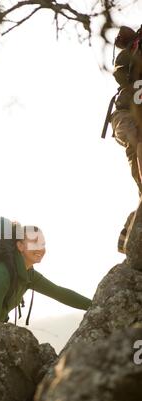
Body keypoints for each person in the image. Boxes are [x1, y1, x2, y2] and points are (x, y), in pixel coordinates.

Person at [0, 224, 92, 347]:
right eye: (34, 242)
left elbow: (60, 293)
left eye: (43, 244)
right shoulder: (1, 274)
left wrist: (95, 305)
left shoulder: (28, 274)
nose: (41, 248)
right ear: (20, 246)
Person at [108, 25, 142, 253]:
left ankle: (128, 235)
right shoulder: (134, 52)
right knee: (138, 141)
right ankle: (132, 242)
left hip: (130, 119)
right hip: (126, 117)